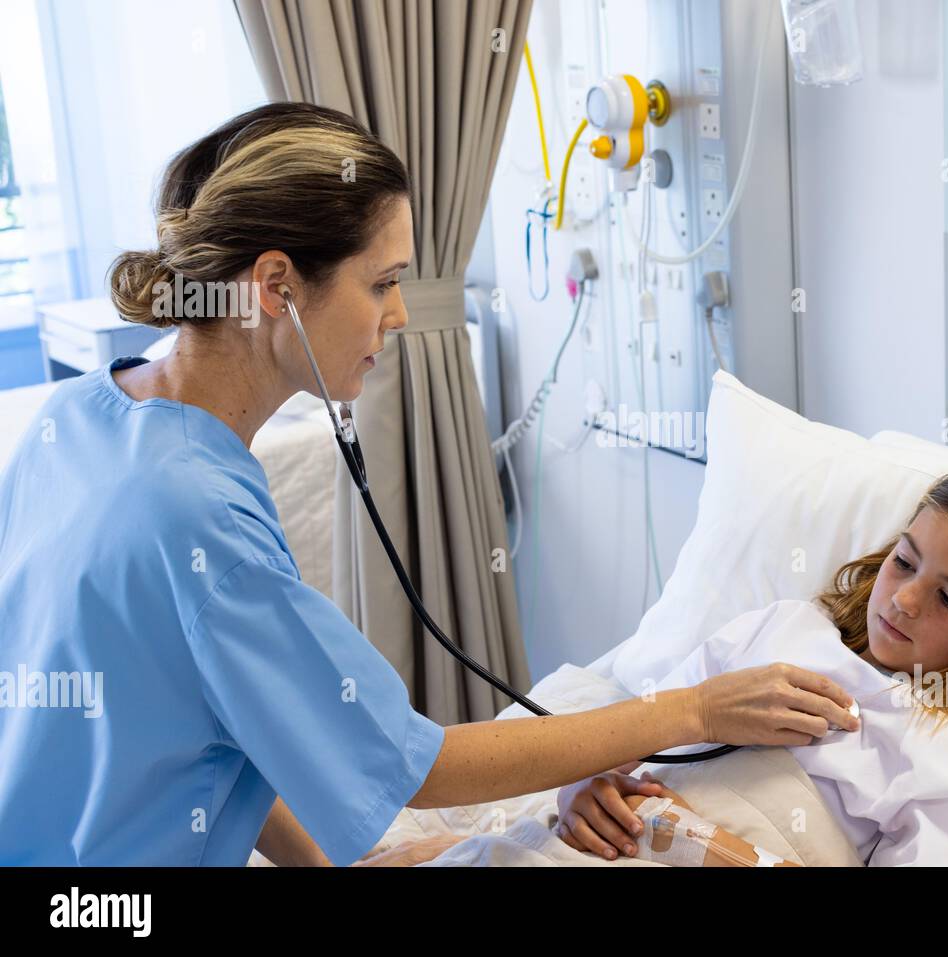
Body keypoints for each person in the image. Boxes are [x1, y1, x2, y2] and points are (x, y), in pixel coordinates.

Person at [0, 102, 859, 867]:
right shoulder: (193, 510)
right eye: (381, 282)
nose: (401, 316)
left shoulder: (74, 417)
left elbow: (217, 718)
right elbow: (417, 764)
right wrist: (693, 710)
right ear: (275, 288)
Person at [554, 462, 948, 865]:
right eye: (904, 563)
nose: (904, 601)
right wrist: (582, 786)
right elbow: (630, 736)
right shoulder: (783, 628)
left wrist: (701, 845)